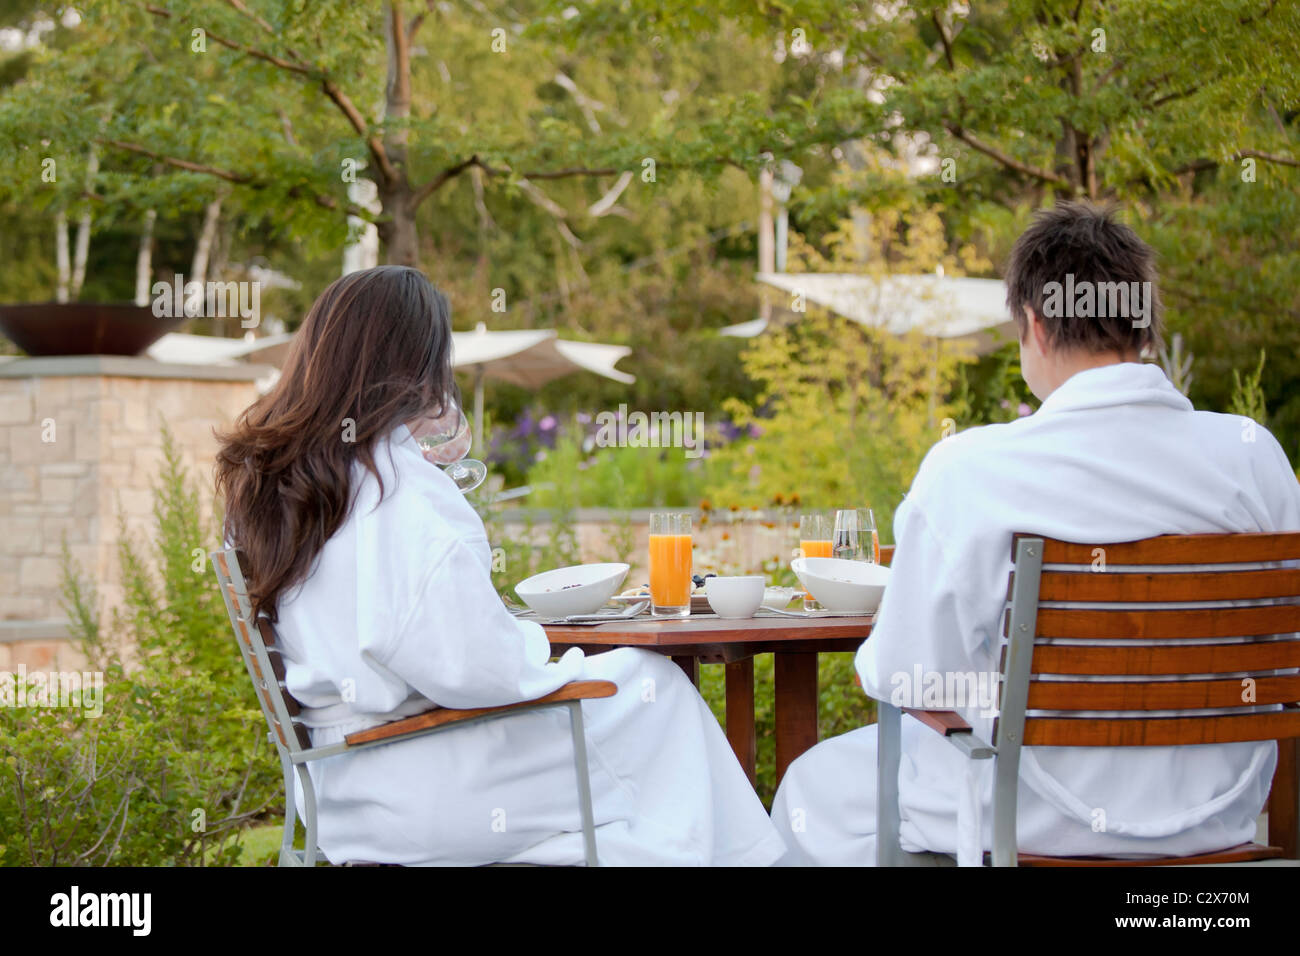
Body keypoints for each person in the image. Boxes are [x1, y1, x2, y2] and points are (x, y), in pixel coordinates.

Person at [770, 200, 1300, 865]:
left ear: (1035, 326)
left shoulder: (969, 470)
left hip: (1023, 818)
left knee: (808, 791)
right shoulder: (1255, 458)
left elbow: (910, 680)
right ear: (1145, 329)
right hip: (1217, 816)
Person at [215, 265, 785, 867]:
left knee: (634, 705)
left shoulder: (279, 490)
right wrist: (539, 651)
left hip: (340, 789)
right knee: (654, 687)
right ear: (414, 367)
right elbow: (477, 669)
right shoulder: (399, 488)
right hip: (429, 784)